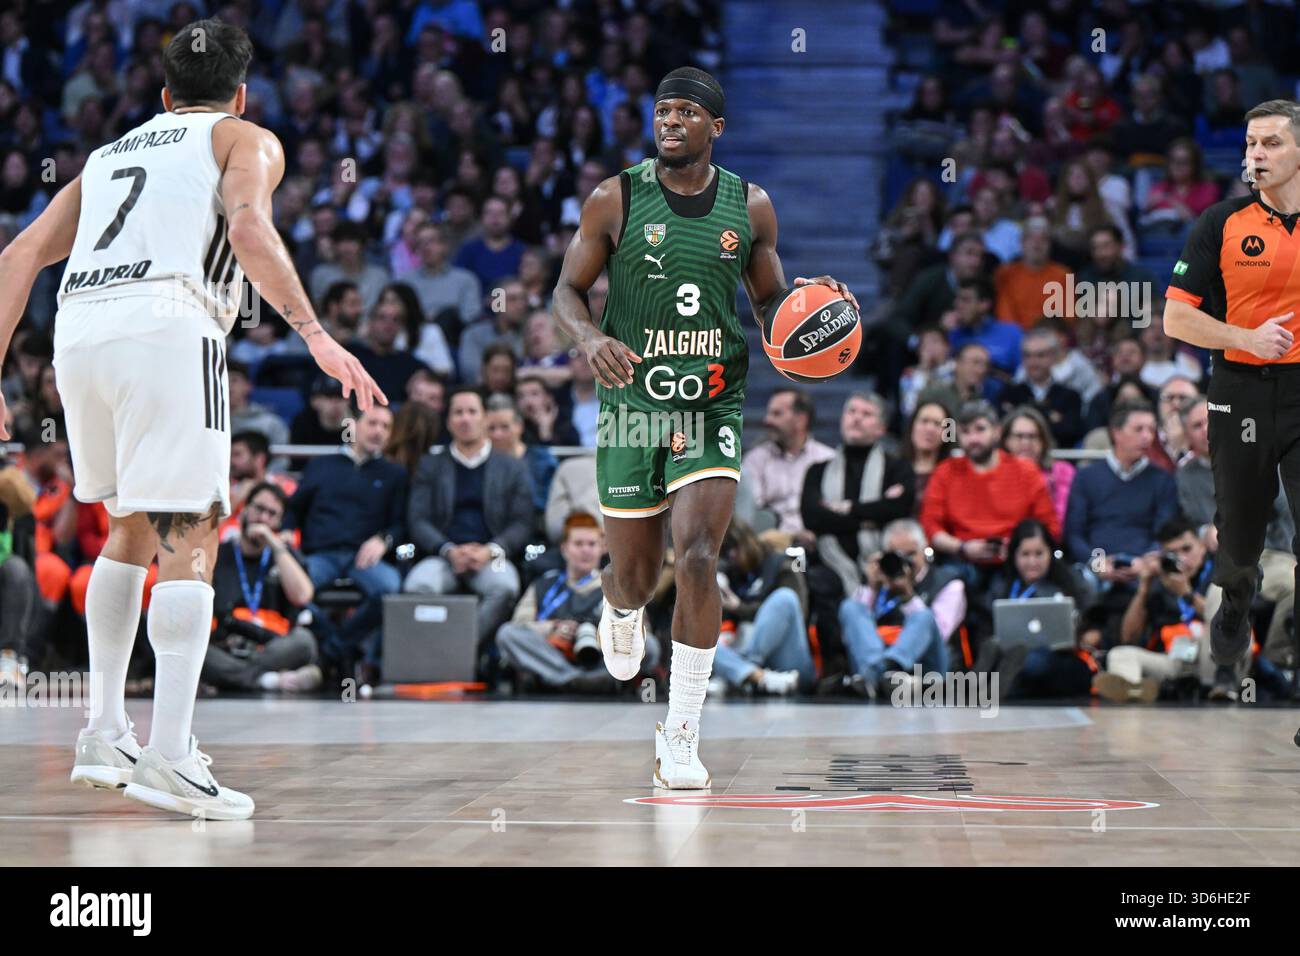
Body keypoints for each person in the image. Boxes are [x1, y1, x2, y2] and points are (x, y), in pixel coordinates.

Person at [0, 19, 383, 822]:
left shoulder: (106, 158)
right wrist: (314, 332)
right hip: (171, 321)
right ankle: (171, 755)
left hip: (79, 333)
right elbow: (247, 226)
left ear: (162, 94)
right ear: (241, 95)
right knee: (195, 527)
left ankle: (104, 731)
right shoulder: (245, 138)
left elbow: (15, 258)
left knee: (130, 529)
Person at [552, 66, 858, 789]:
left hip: (712, 406)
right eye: (663, 111)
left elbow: (773, 303)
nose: (671, 122)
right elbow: (565, 290)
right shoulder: (613, 197)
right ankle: (618, 605)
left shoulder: (750, 207)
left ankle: (681, 733)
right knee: (633, 575)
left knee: (695, 557)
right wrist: (590, 339)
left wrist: (809, 325)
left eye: (687, 112)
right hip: (633, 406)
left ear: (716, 128)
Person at [1162, 100, 1300, 711]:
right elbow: (1175, 317)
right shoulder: (1220, 221)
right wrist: (1246, 337)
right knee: (1240, 542)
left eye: (1270, 143)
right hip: (1239, 390)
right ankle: (1236, 600)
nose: (1256, 156)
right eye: (1249, 145)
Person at [404, 386, 534, 666]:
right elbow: (417, 519)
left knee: (505, 587)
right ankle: (437, 658)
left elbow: (523, 522)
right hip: (443, 555)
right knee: (418, 586)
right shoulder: (431, 464)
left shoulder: (511, 467)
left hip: (491, 556)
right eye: (458, 413)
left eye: (472, 411)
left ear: (484, 418)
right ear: (449, 422)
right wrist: (448, 550)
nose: (465, 419)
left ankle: (454, 653)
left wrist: (491, 550)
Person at [287, 403, 404, 677]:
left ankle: (332, 652)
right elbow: (294, 508)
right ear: (353, 425)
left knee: (390, 588)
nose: (379, 431)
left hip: (363, 557)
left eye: (386, 427)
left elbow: (401, 524)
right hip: (321, 553)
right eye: (372, 423)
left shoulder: (393, 474)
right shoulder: (321, 466)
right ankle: (343, 650)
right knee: (290, 587)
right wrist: (286, 530)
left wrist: (383, 539)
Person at [202, 481, 320, 693]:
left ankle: (240, 678)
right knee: (196, 651)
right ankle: (268, 681)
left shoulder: (282, 555)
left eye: (272, 514)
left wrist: (275, 546)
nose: (263, 518)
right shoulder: (220, 553)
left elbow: (303, 596)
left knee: (304, 640)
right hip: (228, 646)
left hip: (273, 648)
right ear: (245, 509)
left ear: (279, 521)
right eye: (259, 509)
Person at [495, 512, 626, 695]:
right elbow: (519, 625)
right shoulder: (544, 584)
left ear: (603, 547)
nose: (585, 550)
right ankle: (572, 678)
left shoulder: (616, 587)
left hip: (602, 657)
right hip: (554, 653)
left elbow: (642, 630)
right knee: (506, 634)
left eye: (591, 544)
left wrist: (600, 633)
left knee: (647, 644)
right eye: (578, 544)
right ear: (564, 548)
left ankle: (583, 678)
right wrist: (552, 627)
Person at [837, 519, 950, 699]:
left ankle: (880, 671)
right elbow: (851, 632)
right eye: (896, 555)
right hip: (879, 659)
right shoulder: (880, 582)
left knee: (924, 616)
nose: (905, 561)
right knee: (851, 607)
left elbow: (942, 631)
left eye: (911, 554)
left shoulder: (948, 583)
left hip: (927, 672)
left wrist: (908, 596)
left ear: (925, 551)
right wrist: (871, 587)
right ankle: (882, 676)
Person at [737, 387, 833, 542]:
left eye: (777, 414)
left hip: (818, 542)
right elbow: (752, 514)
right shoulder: (755, 460)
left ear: (801, 419)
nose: (767, 420)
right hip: (771, 544)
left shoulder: (828, 459)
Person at [1001, 406, 1075, 529]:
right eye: (1019, 436)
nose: (1026, 443)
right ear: (1006, 440)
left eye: (1032, 436)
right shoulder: (994, 472)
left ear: (1043, 441)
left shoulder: (1062, 472)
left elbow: (1065, 520)